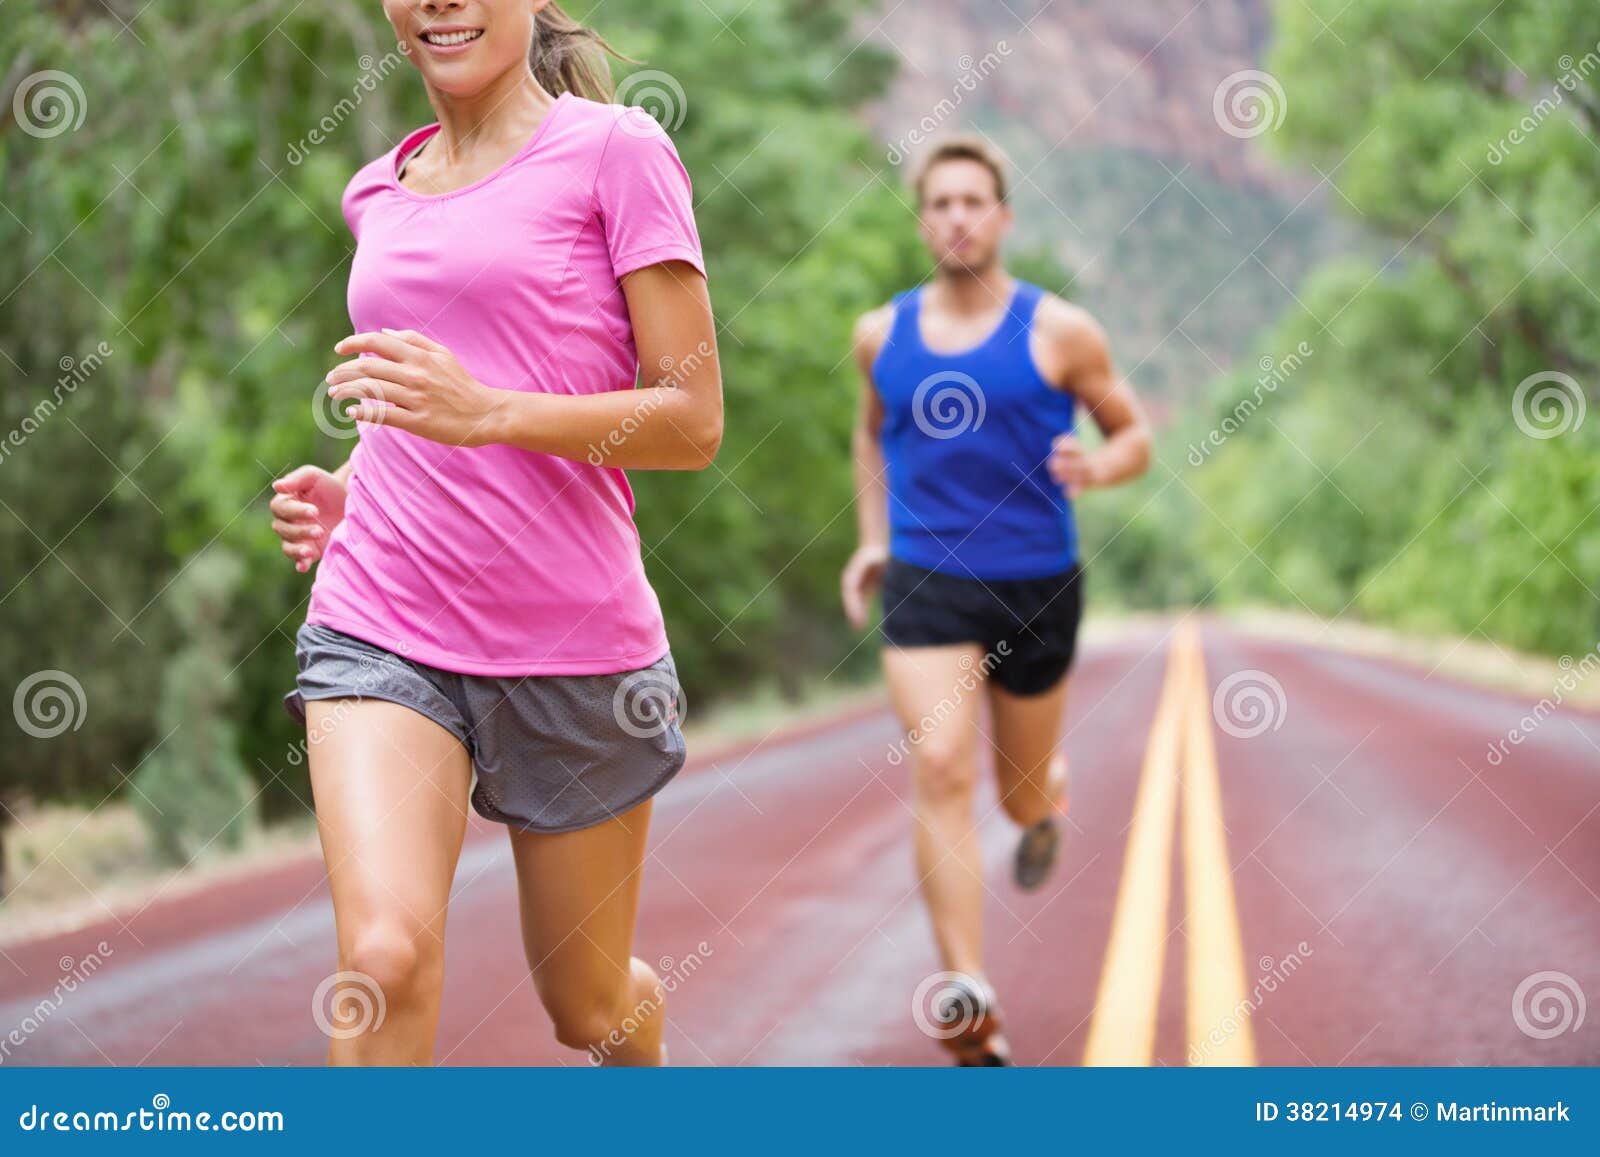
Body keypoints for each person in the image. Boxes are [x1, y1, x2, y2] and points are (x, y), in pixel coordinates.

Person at [267, 0, 720, 1066]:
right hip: (382, 619)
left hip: (573, 644)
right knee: (381, 959)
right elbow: (417, 401)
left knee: (590, 1003)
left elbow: (691, 421)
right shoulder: (377, 190)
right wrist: (353, 480)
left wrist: (491, 415)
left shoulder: (618, 153)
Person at [841, 136, 1151, 1065]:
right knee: (938, 766)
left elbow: (1131, 432)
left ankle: (1042, 804)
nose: (958, 217)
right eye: (940, 203)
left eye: (975, 201)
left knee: (1015, 796)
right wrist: (872, 539)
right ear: (923, 218)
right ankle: (968, 992)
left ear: (1004, 217)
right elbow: (870, 440)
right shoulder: (879, 335)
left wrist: (1097, 465)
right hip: (928, 581)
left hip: (1036, 583)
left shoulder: (1061, 330)